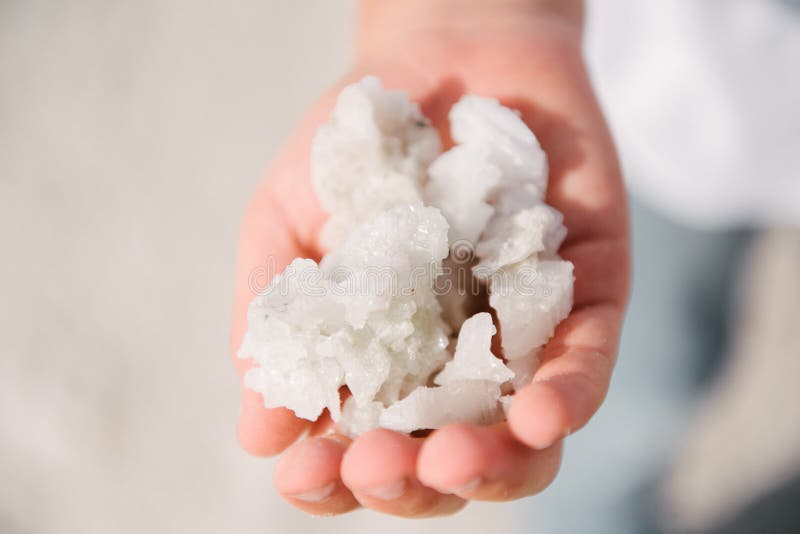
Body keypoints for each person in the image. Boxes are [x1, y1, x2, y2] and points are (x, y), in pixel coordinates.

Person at [229, 0, 629, 517]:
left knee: (634, 402)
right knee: (624, 422)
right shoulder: (402, 231)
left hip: (637, 137)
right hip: (634, 113)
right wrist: (453, 17)